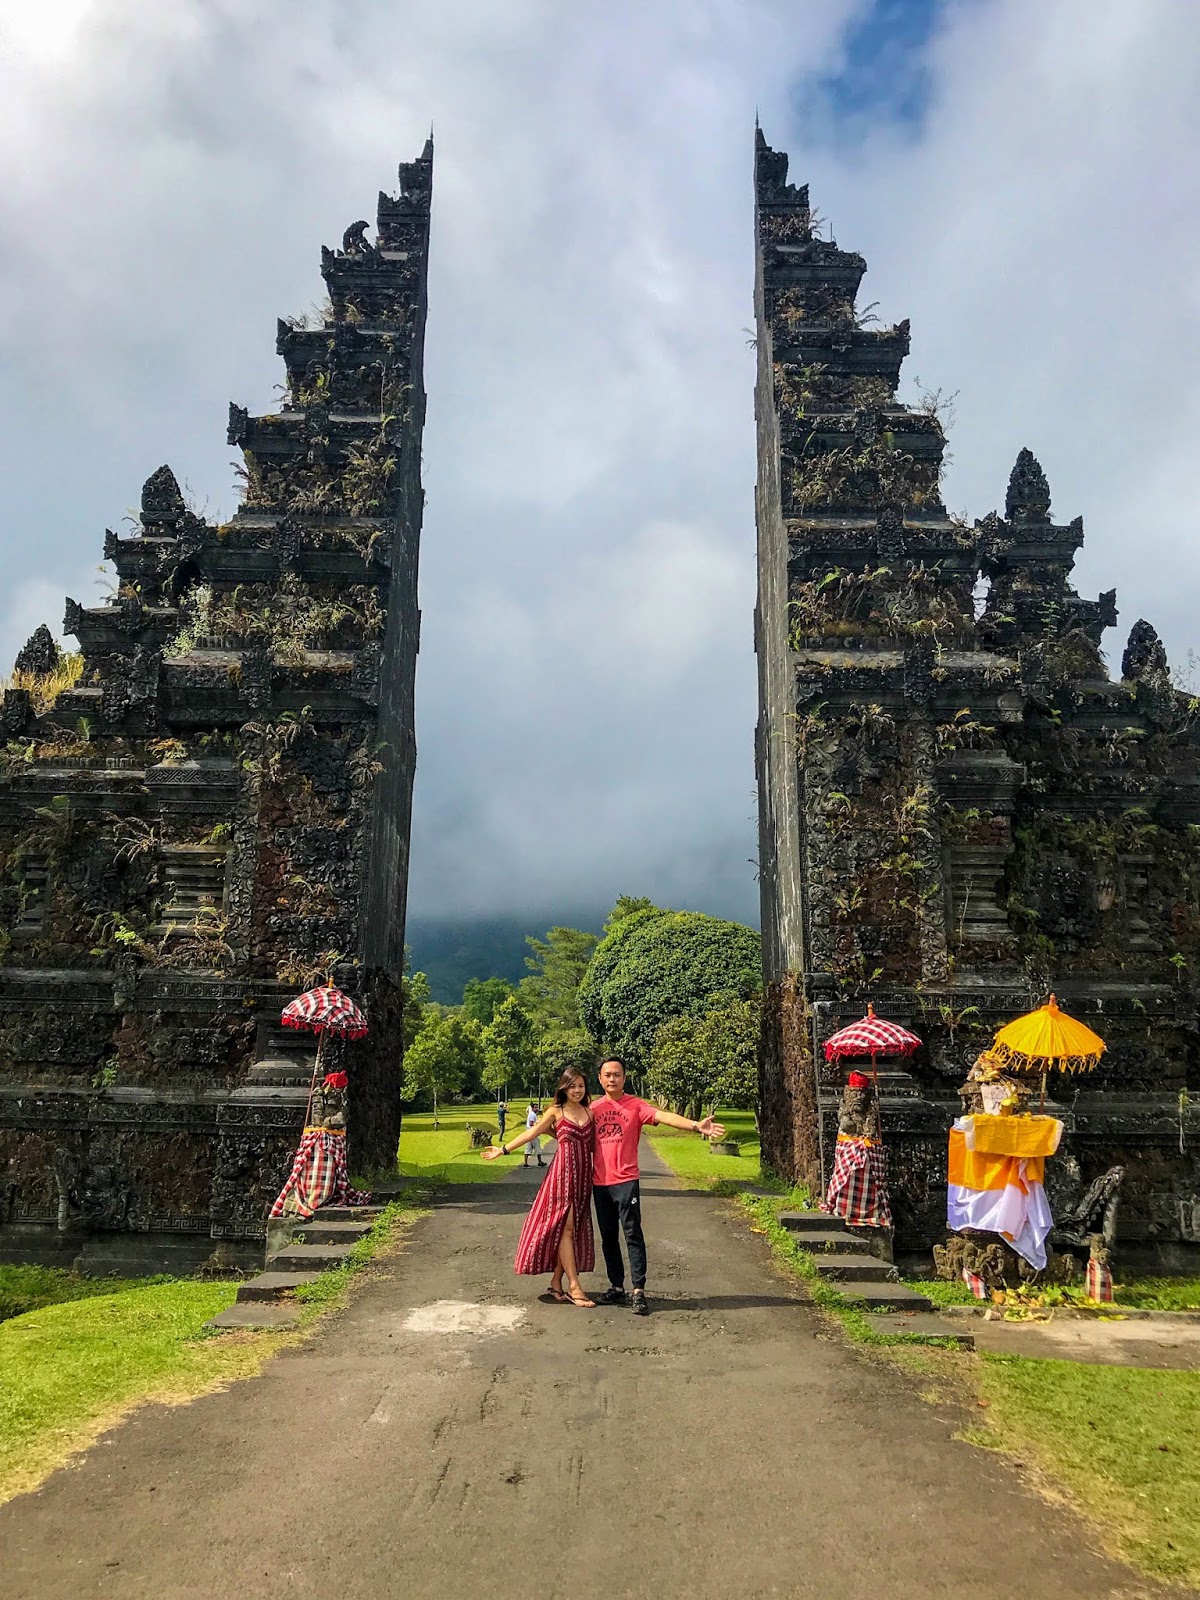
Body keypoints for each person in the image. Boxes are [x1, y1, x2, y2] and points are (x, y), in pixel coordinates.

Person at [590, 1057, 724, 1317]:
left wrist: (696, 1126)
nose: (612, 1079)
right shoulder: (593, 1108)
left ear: (624, 1077)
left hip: (626, 1180)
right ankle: (617, 1286)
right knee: (607, 1237)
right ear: (600, 1078)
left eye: (617, 1074)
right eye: (607, 1075)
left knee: (632, 1235)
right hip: (600, 1183)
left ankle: (638, 1290)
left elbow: (664, 1116)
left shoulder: (636, 1106)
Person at [482, 1070, 596, 1307]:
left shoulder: (590, 1112)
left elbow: (595, 1145)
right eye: (572, 1086)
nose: (577, 1090)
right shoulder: (556, 1111)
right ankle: (574, 1286)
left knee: (573, 1230)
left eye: (581, 1086)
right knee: (566, 1228)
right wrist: (502, 1150)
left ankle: (556, 1282)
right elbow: (532, 1132)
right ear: (563, 1088)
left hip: (584, 1176)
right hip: (562, 1175)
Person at [523, 1101, 545, 1167]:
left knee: (528, 1148)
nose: (537, 1108)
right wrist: (538, 1125)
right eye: (535, 1107)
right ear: (532, 1108)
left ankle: (526, 1163)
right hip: (533, 1133)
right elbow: (531, 1123)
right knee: (537, 1147)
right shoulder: (532, 1114)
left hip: (528, 1133)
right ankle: (540, 1162)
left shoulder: (532, 1114)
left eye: (537, 1107)